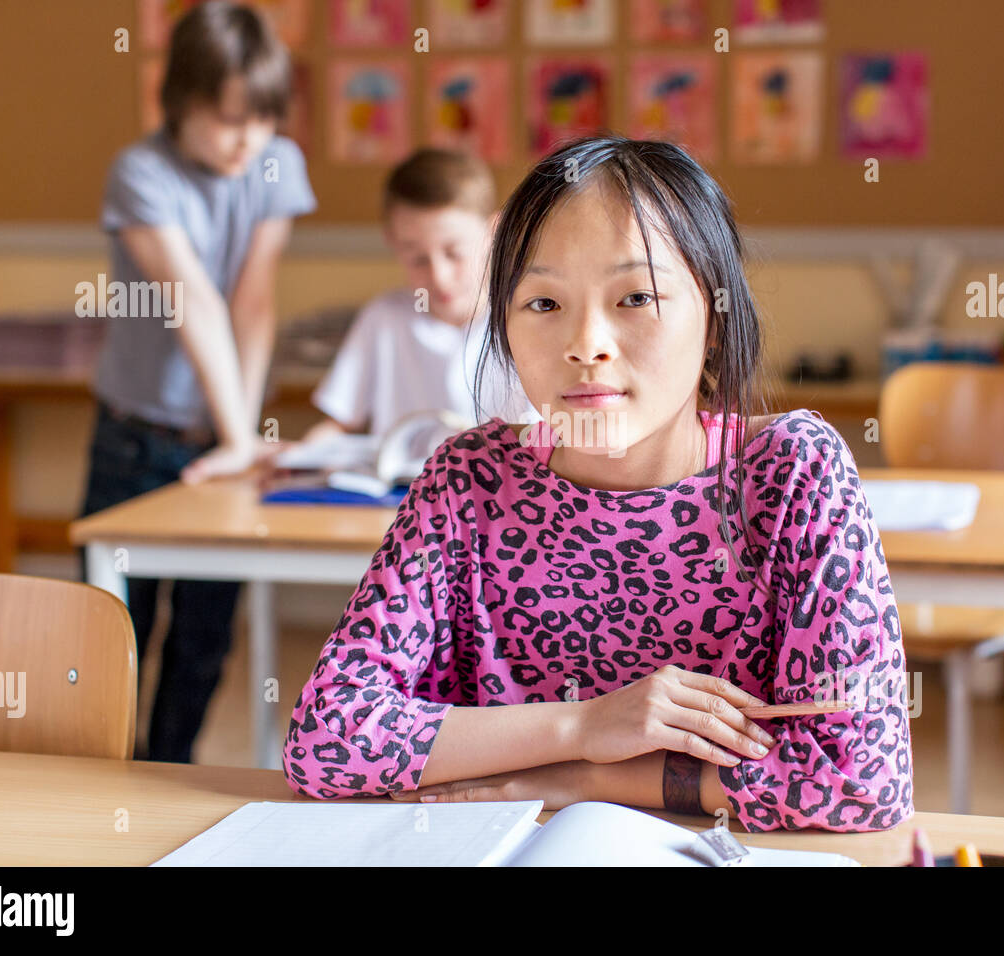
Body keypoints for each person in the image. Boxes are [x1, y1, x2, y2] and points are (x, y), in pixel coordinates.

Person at [283, 136, 912, 831]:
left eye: (636, 296)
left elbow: (859, 778)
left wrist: (585, 781)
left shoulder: (792, 472)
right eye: (544, 303)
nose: (586, 343)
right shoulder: (466, 481)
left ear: (713, 317)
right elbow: (327, 737)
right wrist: (583, 729)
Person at [79, 2, 316, 762]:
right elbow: (195, 304)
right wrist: (242, 439)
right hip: (134, 438)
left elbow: (251, 302)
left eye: (264, 118)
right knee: (118, 629)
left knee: (205, 637)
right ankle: (102, 782)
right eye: (229, 119)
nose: (249, 138)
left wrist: (236, 439)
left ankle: (163, 776)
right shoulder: (140, 172)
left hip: (223, 437)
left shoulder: (277, 163)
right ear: (179, 100)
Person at [303, 148, 537, 447]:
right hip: (405, 492)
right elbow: (337, 425)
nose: (438, 276)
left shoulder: (530, 318)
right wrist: (298, 459)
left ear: (495, 230)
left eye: (454, 253)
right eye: (417, 259)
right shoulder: (384, 319)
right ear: (393, 243)